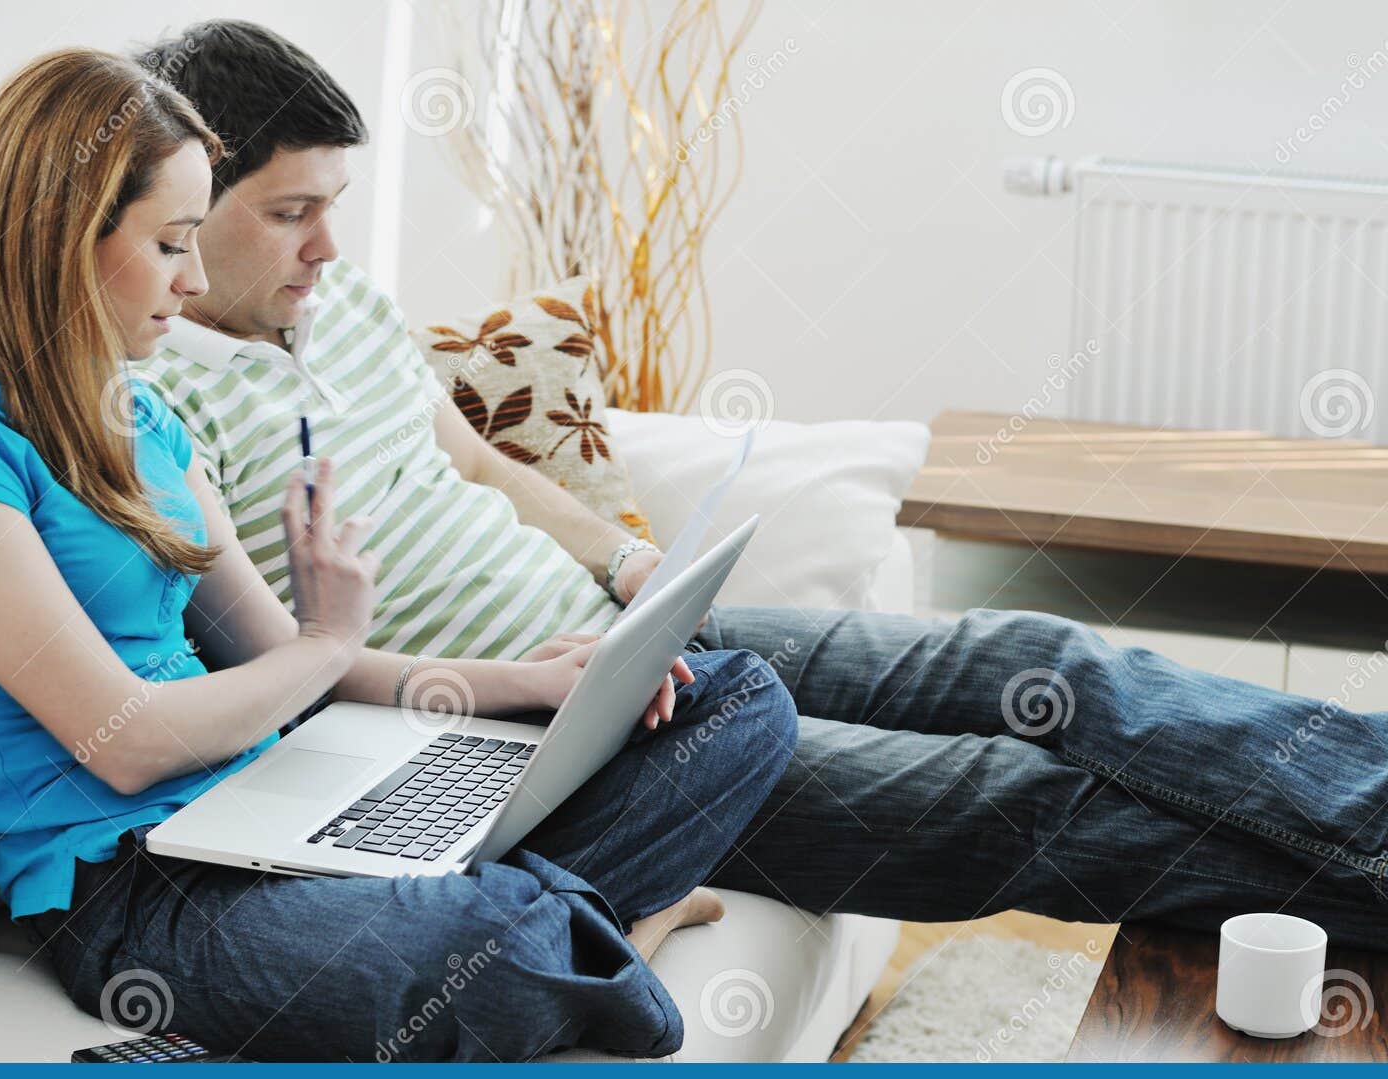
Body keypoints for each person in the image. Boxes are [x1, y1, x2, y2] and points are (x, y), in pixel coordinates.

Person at [138, 19, 1388, 951]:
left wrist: (634, 569)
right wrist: (531, 686)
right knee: (1016, 804)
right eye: (292, 211)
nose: (328, 246)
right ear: (188, 206)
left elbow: (469, 460)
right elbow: (272, 669)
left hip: (623, 641)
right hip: (525, 736)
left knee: (1042, 658)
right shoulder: (158, 405)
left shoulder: (339, 302)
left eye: (334, 205)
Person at [0, 48, 801, 1062]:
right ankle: (607, 927)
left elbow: (282, 658)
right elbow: (125, 740)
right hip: (138, 884)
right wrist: (327, 641)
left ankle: (568, 930)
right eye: (171, 243)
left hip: (281, 801)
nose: (197, 278)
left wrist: (525, 684)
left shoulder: (141, 412)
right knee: (498, 940)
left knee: (733, 703)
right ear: (62, 238)